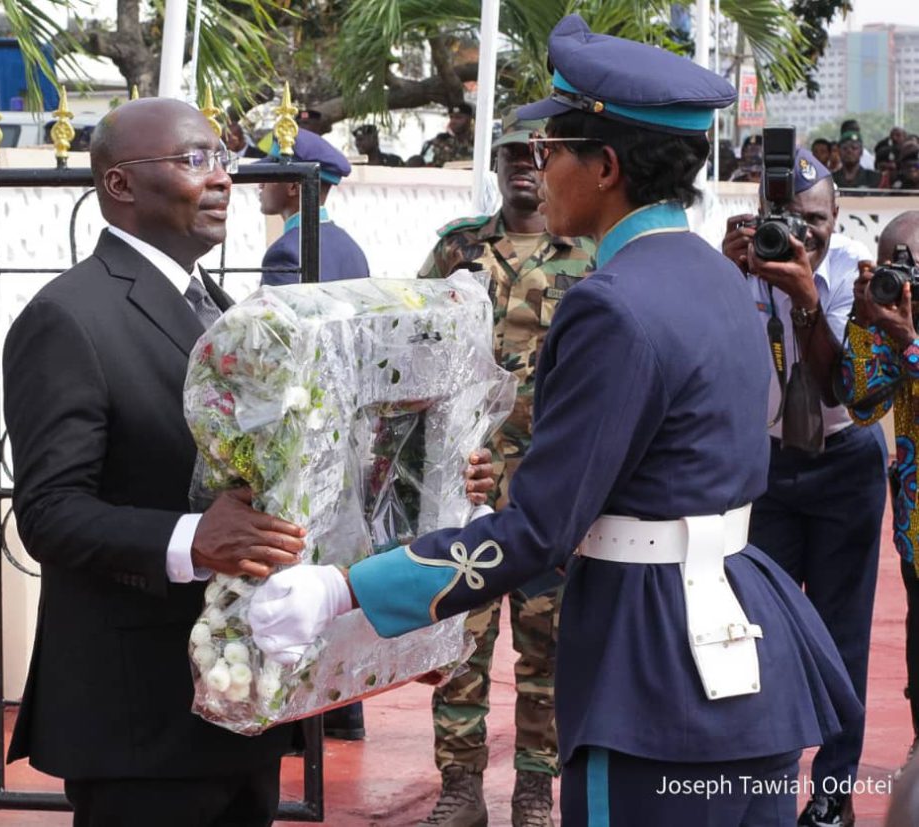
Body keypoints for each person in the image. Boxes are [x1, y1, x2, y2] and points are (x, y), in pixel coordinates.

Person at [248, 14, 861, 827]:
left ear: (604, 166)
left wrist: (343, 587)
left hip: (650, 659)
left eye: (550, 152)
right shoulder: (722, 277)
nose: (538, 172)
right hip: (747, 635)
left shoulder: (610, 303)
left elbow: (537, 530)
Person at [2, 97, 312, 827]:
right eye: (194, 159)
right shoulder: (69, 316)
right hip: (140, 715)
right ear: (121, 185)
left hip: (238, 700)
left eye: (222, 158)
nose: (222, 179)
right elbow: (49, 514)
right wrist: (191, 539)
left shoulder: (220, 309)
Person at [414, 107, 594, 827]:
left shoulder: (588, 252)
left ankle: (532, 793)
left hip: (551, 490)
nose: (524, 163)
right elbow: (415, 339)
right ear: (494, 164)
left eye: (536, 152)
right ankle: (460, 790)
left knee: (546, 651)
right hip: (469, 491)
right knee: (460, 639)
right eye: (512, 152)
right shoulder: (459, 248)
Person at [721, 150, 885, 827]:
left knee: (843, 631)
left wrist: (806, 296)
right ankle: (765, 782)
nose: (802, 235)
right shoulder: (738, 264)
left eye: (815, 221)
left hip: (844, 461)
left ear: (837, 217)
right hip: (767, 464)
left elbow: (836, 386)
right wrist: (723, 270)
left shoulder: (851, 274)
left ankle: (833, 793)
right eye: (789, 219)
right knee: (762, 631)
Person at [838, 210, 919, 782]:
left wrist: (910, 342)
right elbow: (862, 404)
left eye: (911, 264)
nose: (903, 277)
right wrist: (868, 325)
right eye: (894, 263)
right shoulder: (892, 323)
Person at [256, 129, 370, 288]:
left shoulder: (285, 253)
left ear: (293, 187)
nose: (260, 184)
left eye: (268, 176)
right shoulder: (351, 247)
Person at [418, 103, 475, 167]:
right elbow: (425, 165)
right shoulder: (439, 142)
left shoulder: (479, 144)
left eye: (458, 118)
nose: (453, 121)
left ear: (469, 119)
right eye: (451, 117)